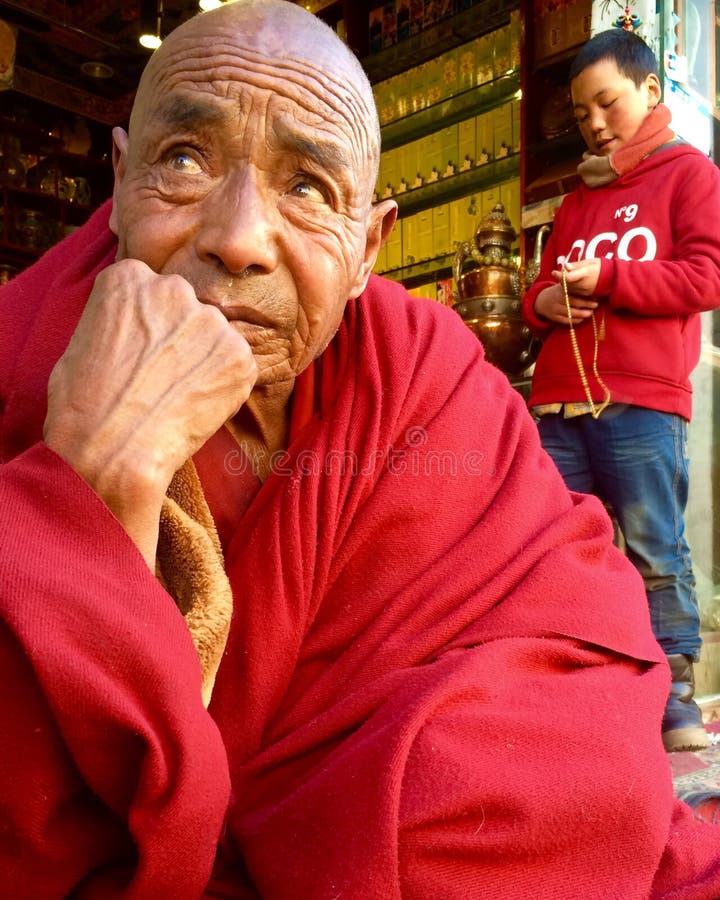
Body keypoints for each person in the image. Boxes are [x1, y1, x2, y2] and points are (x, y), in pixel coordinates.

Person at [1, 2, 720, 895]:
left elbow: (569, 665)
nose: (236, 238)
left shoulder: (427, 371)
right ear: (118, 178)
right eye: (184, 159)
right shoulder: (21, 355)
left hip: (636, 395)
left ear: (368, 247)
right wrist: (84, 494)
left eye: (308, 187)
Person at [521, 28, 720, 755]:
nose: (596, 123)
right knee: (555, 555)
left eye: (607, 103)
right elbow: (536, 292)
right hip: (558, 402)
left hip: (642, 400)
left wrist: (610, 280)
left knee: (653, 552)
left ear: (650, 92)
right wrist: (541, 304)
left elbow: (707, 278)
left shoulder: (690, 174)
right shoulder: (576, 201)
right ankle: (580, 699)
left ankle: (675, 705)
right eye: (581, 115)